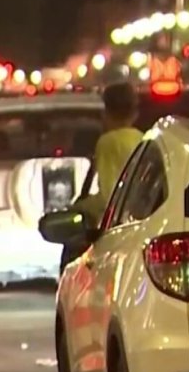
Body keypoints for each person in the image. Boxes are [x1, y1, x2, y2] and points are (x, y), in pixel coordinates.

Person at [59, 82, 143, 272]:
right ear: (134, 113)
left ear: (106, 112)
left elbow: (109, 197)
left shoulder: (108, 142)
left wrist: (80, 206)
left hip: (117, 237)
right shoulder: (142, 139)